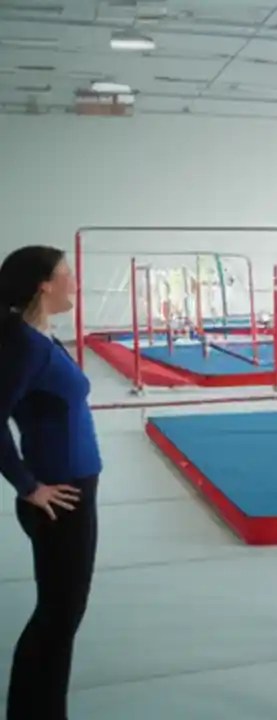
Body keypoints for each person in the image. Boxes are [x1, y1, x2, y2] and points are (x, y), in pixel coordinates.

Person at [0, 246, 102, 720]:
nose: (75, 281)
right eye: (66, 273)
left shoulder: (40, 335)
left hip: (74, 488)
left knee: (62, 615)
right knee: (58, 617)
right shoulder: (24, 344)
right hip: (58, 498)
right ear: (44, 284)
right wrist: (28, 486)